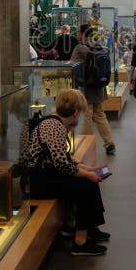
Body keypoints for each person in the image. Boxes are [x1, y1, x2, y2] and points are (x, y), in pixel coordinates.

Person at [20, 88, 111, 256]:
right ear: (76, 112)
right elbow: (63, 165)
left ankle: (88, 227)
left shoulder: (52, 122)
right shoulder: (55, 127)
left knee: (88, 179)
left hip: (41, 177)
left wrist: (88, 169)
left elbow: (63, 159)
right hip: (39, 182)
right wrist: (88, 174)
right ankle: (80, 241)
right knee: (86, 185)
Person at [70, 24, 116, 155]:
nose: (77, 33)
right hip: (99, 86)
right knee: (100, 114)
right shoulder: (98, 45)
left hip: (87, 86)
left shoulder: (80, 48)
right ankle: (109, 143)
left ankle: (86, 145)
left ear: (82, 33)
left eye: (78, 31)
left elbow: (72, 65)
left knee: (88, 114)